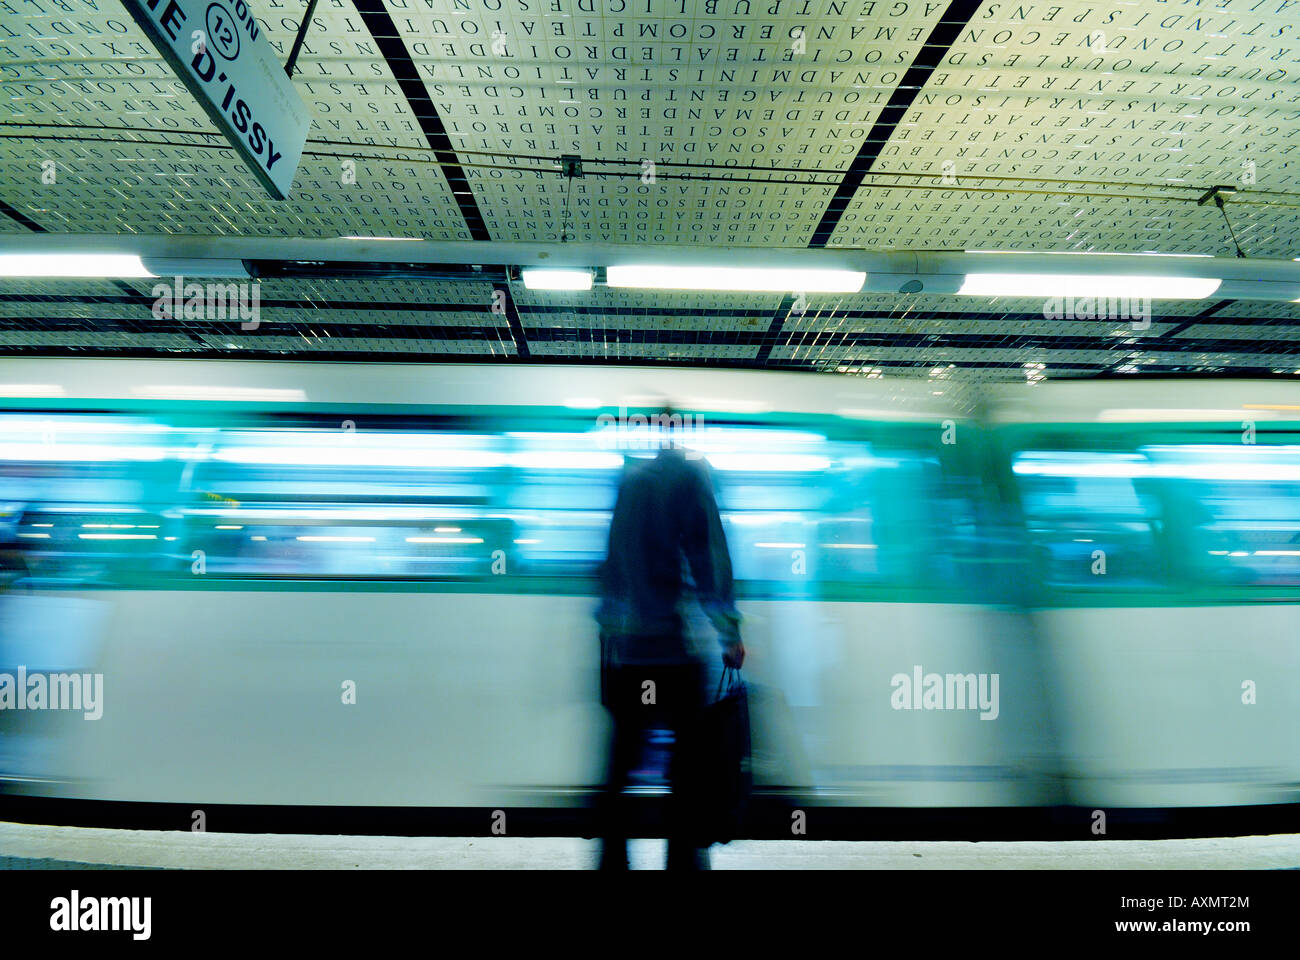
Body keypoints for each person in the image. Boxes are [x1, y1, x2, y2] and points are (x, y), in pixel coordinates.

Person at [595, 408, 743, 870]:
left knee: (619, 767)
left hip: (625, 653)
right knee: (687, 772)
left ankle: (612, 863)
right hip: (673, 652)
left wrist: (608, 635)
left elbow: (609, 568)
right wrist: (728, 632)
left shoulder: (629, 480)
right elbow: (708, 561)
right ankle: (683, 864)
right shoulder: (689, 478)